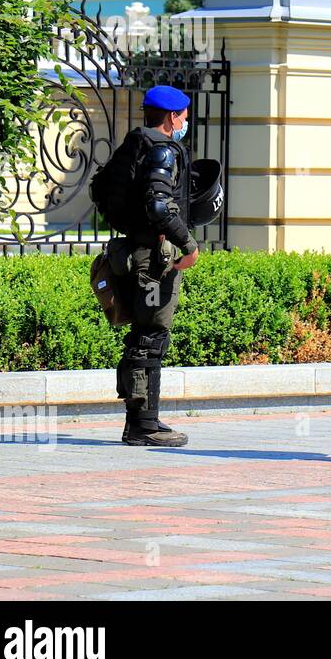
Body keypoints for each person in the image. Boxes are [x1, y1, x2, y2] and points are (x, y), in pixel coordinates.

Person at [109, 85, 199, 447]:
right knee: (150, 340)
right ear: (173, 117)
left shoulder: (132, 146)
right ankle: (142, 426)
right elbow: (159, 206)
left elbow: (103, 191)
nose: (185, 123)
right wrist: (188, 245)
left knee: (143, 338)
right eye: (184, 116)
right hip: (151, 257)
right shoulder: (162, 151)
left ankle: (145, 420)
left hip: (131, 250)